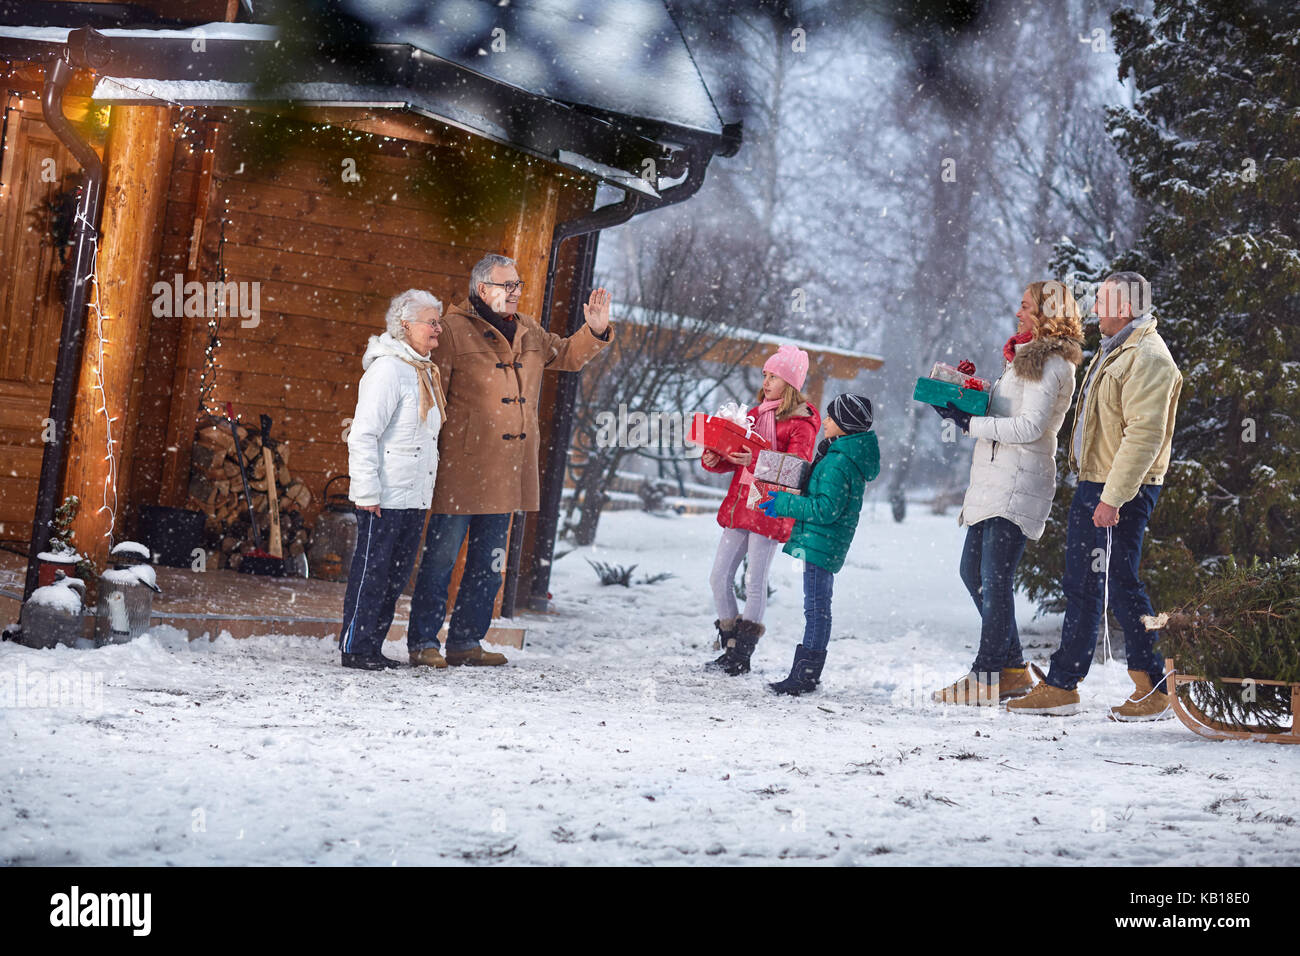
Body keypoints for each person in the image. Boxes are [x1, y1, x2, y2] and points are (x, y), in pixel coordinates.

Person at [406, 254, 613, 667]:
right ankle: (423, 642)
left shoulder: (530, 330)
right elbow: (432, 401)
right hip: (461, 468)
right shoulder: (452, 331)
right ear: (483, 290)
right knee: (441, 559)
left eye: (517, 284)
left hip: (509, 470)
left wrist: (596, 329)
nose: (515, 291)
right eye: (507, 285)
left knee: (489, 564)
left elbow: (568, 356)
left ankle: (466, 641)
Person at [1008, 271, 1182, 719]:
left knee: (1121, 583)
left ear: (1124, 306)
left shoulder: (1148, 357)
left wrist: (1113, 498)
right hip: (1098, 484)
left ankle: (1156, 688)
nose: (1094, 310)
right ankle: (1064, 684)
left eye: (1102, 301)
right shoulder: (1118, 350)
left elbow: (1144, 436)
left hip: (1120, 489)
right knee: (1085, 584)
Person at [930, 281, 1084, 705]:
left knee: (994, 580)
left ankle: (986, 674)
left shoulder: (1051, 364)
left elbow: (1030, 427)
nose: (1018, 312)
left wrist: (968, 425)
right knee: (973, 573)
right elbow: (1006, 412)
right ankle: (1012, 668)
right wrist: (965, 394)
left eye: (1026, 306)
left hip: (1020, 480)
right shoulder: (1021, 358)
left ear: (1047, 312)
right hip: (994, 478)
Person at [339, 290, 446, 670]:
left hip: (412, 497)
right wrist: (366, 491)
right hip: (382, 496)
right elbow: (363, 434)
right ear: (405, 325)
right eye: (431, 322)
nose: (438, 329)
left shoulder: (423, 370)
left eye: (438, 322)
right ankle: (354, 647)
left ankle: (371, 645)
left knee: (395, 576)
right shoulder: (388, 369)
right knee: (372, 572)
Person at [700, 345, 820, 675]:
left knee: (755, 582)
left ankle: (741, 657)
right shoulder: (753, 414)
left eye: (774, 376)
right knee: (718, 577)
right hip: (741, 504)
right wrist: (715, 458)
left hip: (769, 506)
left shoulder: (803, 421)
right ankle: (729, 646)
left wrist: (755, 458)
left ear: (791, 383)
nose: (766, 382)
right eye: (764, 375)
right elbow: (735, 458)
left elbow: (797, 469)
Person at [757, 394, 879, 696]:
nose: (824, 421)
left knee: (817, 609)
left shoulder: (838, 462)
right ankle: (806, 673)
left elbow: (825, 509)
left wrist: (783, 503)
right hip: (823, 542)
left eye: (830, 417)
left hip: (821, 543)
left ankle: (805, 676)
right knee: (817, 607)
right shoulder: (839, 456)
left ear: (845, 424)